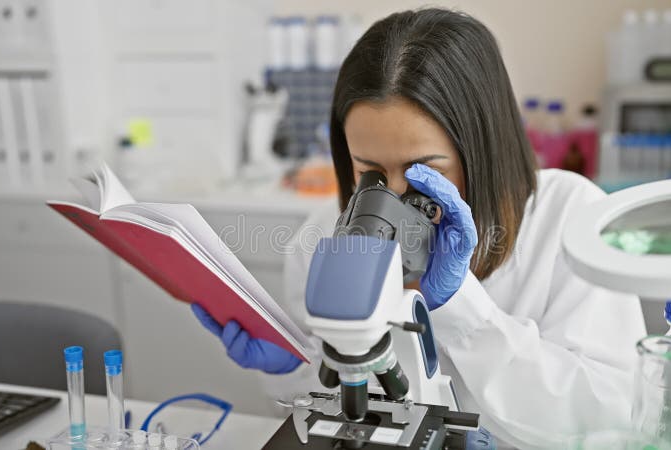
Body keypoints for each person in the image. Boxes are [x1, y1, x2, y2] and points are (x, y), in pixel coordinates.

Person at [191, 8, 646, 449]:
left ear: (482, 150)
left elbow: (605, 423)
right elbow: (326, 411)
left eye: (422, 174)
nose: (391, 198)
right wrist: (294, 366)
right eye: (368, 171)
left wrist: (461, 309)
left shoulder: (570, 216)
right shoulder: (325, 236)